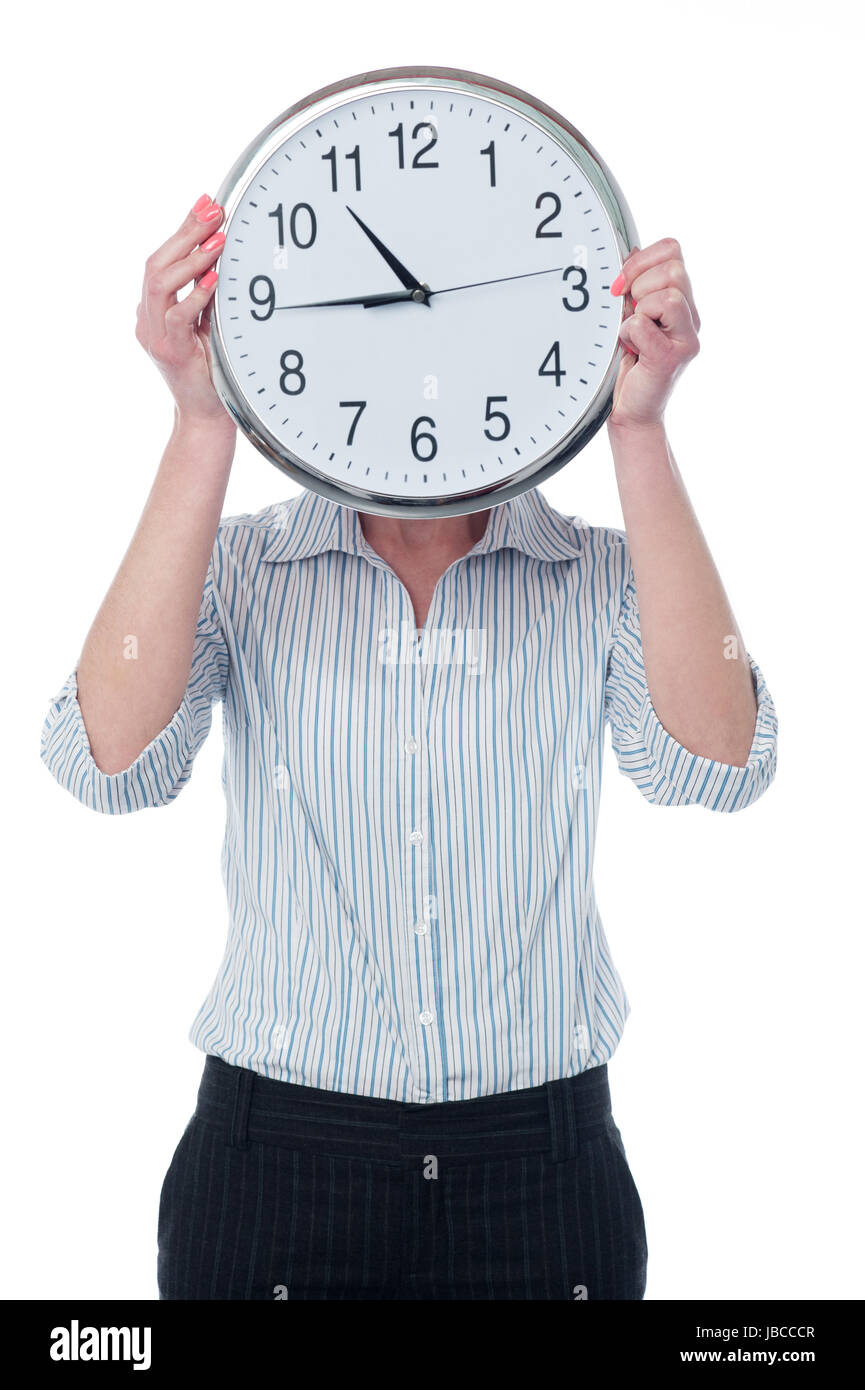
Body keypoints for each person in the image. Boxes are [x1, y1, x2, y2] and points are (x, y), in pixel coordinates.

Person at [39, 192, 778, 1301]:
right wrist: (202, 423)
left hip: (541, 1170)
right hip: (277, 1165)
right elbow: (104, 761)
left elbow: (720, 762)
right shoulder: (246, 570)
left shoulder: (598, 577)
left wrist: (637, 428)